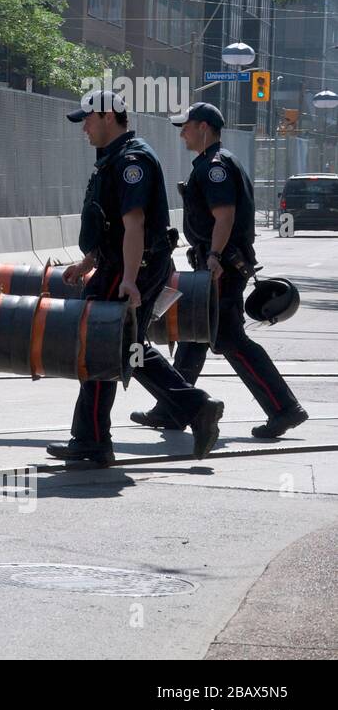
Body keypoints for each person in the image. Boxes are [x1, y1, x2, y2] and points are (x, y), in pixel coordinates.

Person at [46, 89, 223, 466]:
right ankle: (192, 407)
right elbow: (107, 220)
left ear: (109, 117)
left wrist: (127, 278)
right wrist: (88, 260)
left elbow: (134, 222)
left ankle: (94, 440)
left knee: (99, 345)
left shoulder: (133, 160)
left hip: (133, 267)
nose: (84, 129)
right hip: (119, 264)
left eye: (88, 120)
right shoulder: (112, 158)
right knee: (123, 348)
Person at [131, 102, 307, 440]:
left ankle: (284, 408)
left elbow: (224, 215)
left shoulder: (215, 166)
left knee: (228, 339)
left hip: (222, 267)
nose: (181, 133)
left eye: (186, 126)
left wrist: (213, 257)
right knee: (194, 332)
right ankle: (175, 407)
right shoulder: (216, 162)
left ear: (204, 127)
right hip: (217, 265)